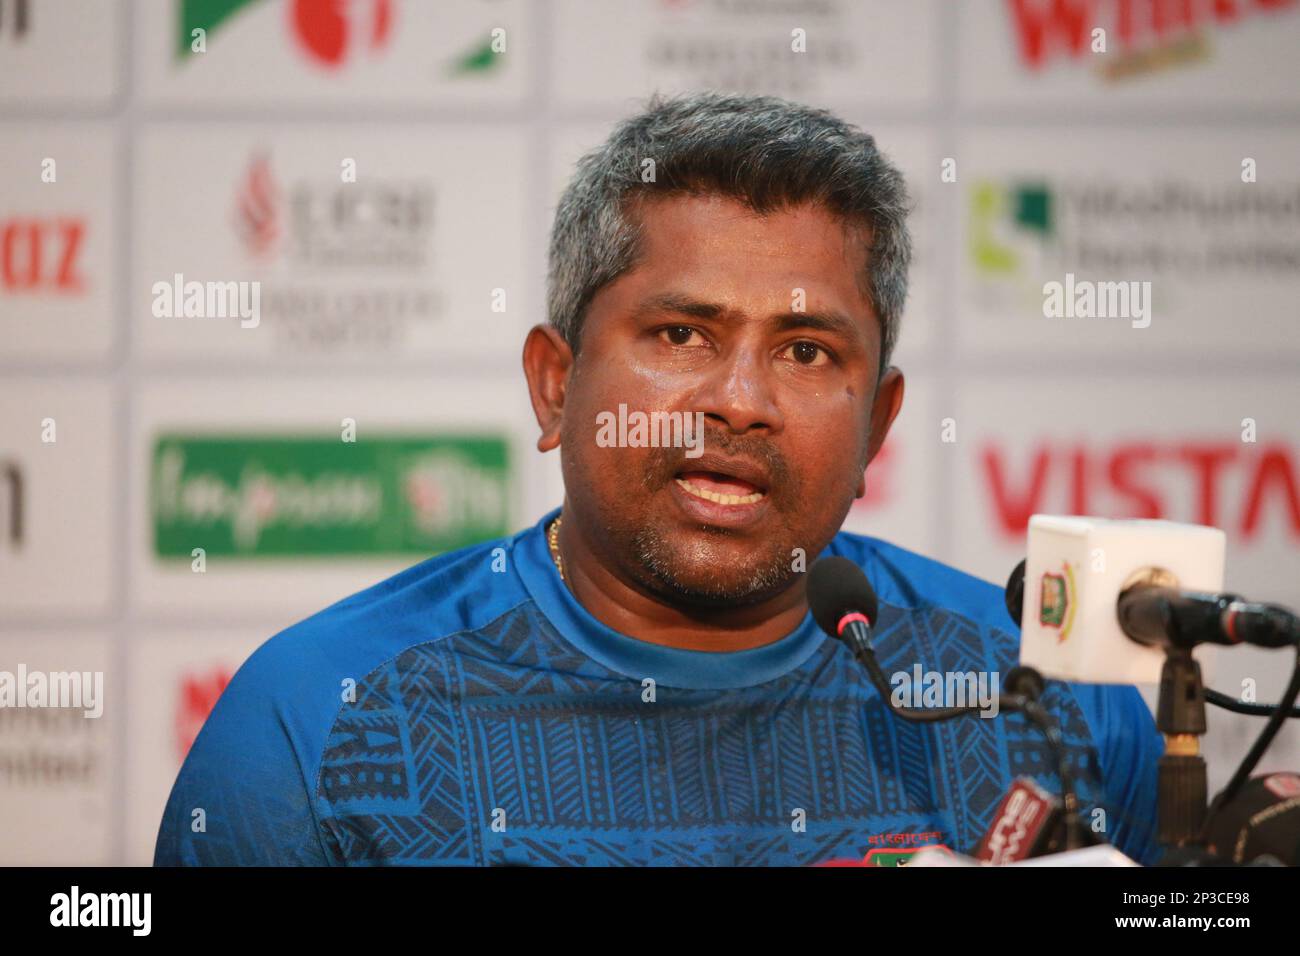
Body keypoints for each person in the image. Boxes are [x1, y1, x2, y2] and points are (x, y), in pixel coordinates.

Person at [155, 91, 1162, 866]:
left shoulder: (1048, 703)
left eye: (806, 351)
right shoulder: (323, 713)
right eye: (682, 333)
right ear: (556, 385)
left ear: (877, 423)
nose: (738, 400)